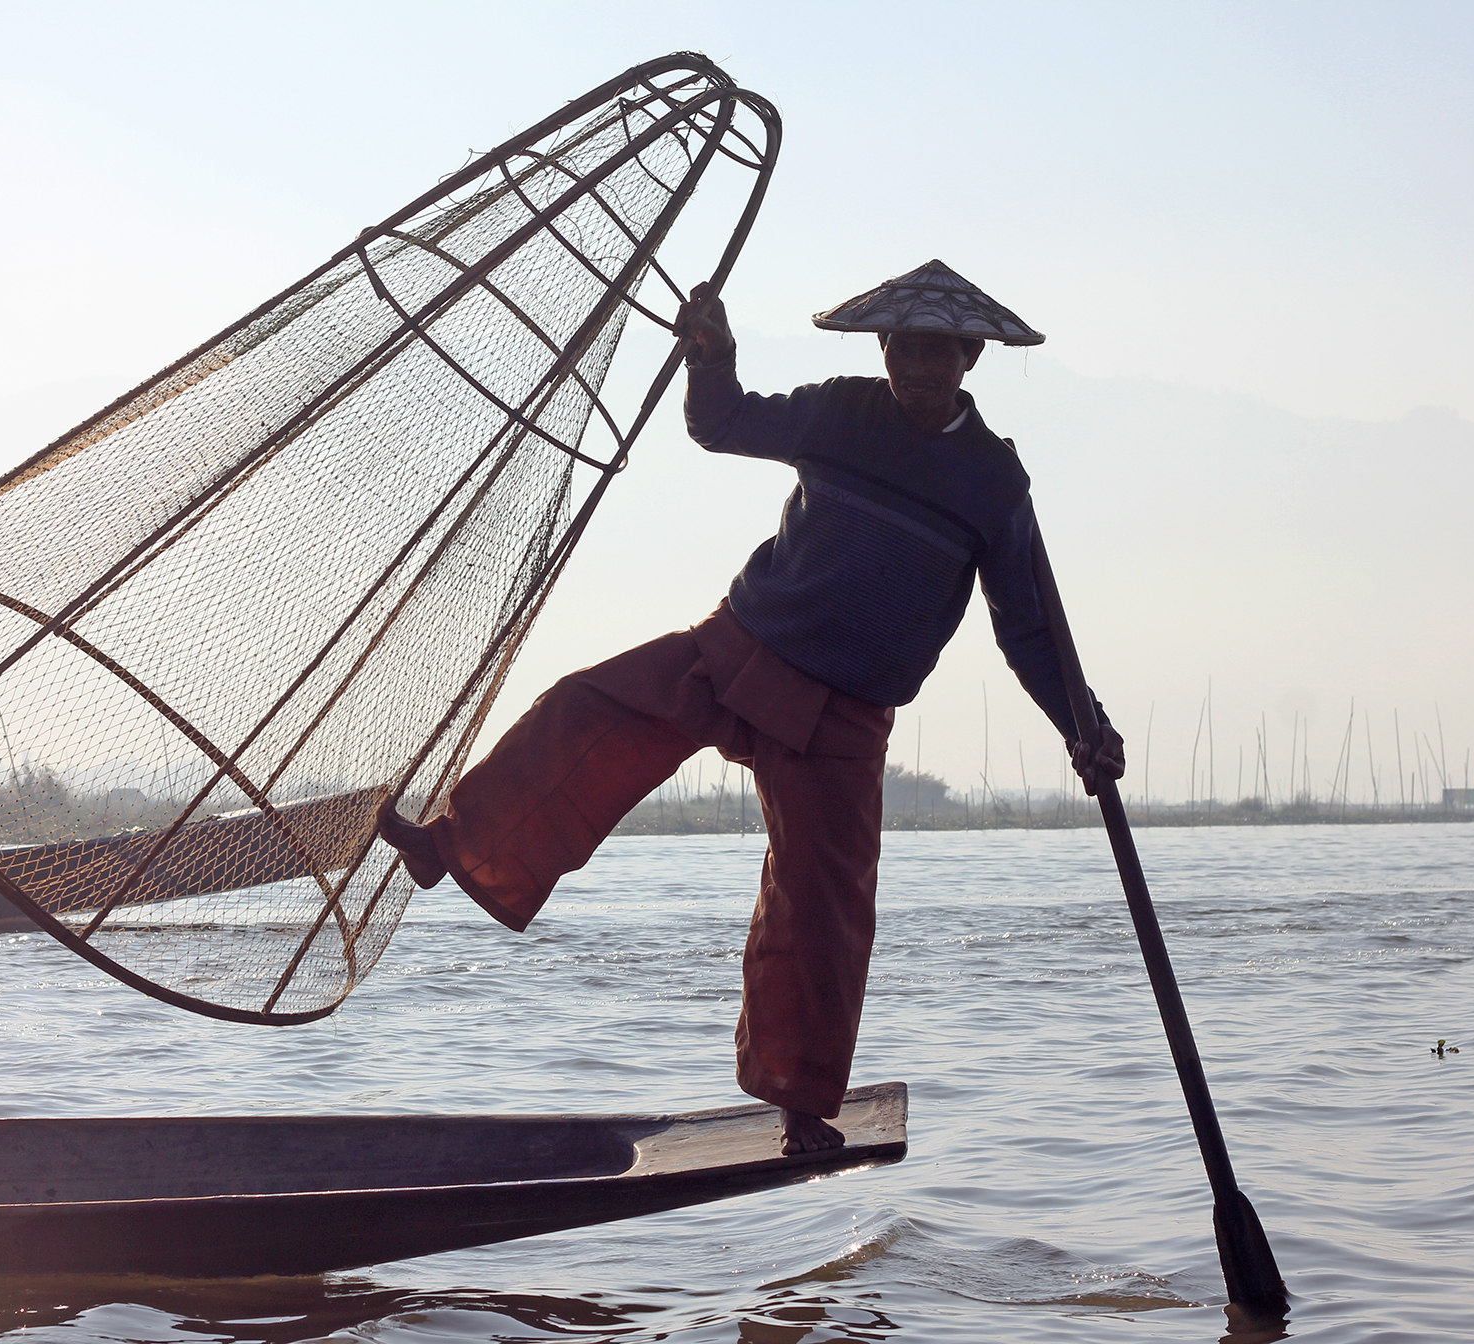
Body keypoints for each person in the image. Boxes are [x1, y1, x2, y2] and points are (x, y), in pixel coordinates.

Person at [379, 260, 1125, 1155]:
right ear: (883, 349)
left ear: (971, 358)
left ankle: (802, 1107)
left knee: (820, 907)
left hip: (845, 716)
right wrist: (712, 357)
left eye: (938, 353)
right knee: (588, 709)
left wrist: (1085, 727)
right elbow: (722, 423)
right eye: (903, 349)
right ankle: (451, 845)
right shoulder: (842, 410)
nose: (917, 369)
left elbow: (1031, 630)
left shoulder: (993, 482)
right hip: (743, 648)